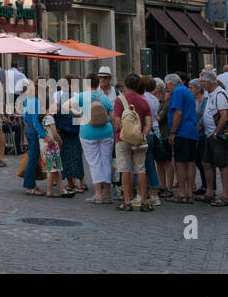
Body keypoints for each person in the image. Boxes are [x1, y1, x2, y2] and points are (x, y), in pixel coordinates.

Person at [113, 73, 153, 212]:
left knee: (125, 169)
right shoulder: (144, 101)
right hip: (139, 140)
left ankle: (127, 201)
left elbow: (117, 119)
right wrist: (141, 136)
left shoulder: (120, 100)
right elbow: (149, 123)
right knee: (140, 169)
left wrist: (127, 132)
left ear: (125, 84)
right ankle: (144, 201)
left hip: (123, 138)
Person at [78, 72, 116, 205]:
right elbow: (113, 116)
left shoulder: (82, 96)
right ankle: (107, 194)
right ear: (97, 83)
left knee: (94, 163)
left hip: (88, 132)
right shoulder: (104, 97)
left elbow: (66, 106)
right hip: (106, 132)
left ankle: (98, 195)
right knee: (106, 161)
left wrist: (80, 115)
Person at [198, 70, 228, 207]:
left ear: (209, 81)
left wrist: (216, 133)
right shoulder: (210, 94)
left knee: (222, 164)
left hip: (217, 135)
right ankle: (209, 192)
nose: (201, 84)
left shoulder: (219, 94)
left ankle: (225, 195)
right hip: (209, 134)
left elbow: (224, 116)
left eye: (202, 81)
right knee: (206, 162)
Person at [166, 72, 199, 203]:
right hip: (191, 130)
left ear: (170, 83)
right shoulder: (187, 91)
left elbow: (178, 113)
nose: (167, 88)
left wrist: (173, 132)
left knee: (180, 162)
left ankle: (182, 192)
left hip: (182, 132)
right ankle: (189, 192)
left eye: (167, 86)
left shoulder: (178, 92)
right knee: (191, 162)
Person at [53, 86, 85, 193]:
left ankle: (72, 183)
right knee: (75, 156)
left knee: (68, 157)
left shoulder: (66, 97)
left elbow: (60, 114)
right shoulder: (76, 97)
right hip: (73, 131)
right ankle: (79, 182)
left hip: (66, 131)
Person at [146, 77, 169, 204]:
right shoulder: (155, 100)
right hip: (155, 131)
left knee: (148, 163)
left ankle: (151, 191)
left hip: (148, 131)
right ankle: (156, 189)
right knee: (153, 163)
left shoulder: (145, 99)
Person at [21, 87, 48, 196]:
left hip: (28, 129)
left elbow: (25, 117)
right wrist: (44, 135)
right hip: (33, 130)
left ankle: (30, 183)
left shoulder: (27, 99)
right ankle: (29, 186)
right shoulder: (35, 101)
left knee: (33, 158)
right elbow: (35, 121)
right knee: (33, 159)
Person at [42, 102, 68, 197]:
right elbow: (55, 134)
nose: (57, 107)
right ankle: (51, 191)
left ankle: (61, 189)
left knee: (53, 168)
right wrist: (60, 142)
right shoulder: (50, 118)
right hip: (52, 146)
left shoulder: (43, 118)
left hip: (45, 145)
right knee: (54, 169)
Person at [6, 62, 29, 154]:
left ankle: (10, 143)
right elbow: (27, 85)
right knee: (21, 119)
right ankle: (22, 142)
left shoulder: (6, 72)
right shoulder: (20, 74)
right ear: (17, 66)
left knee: (10, 118)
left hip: (7, 96)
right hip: (17, 96)